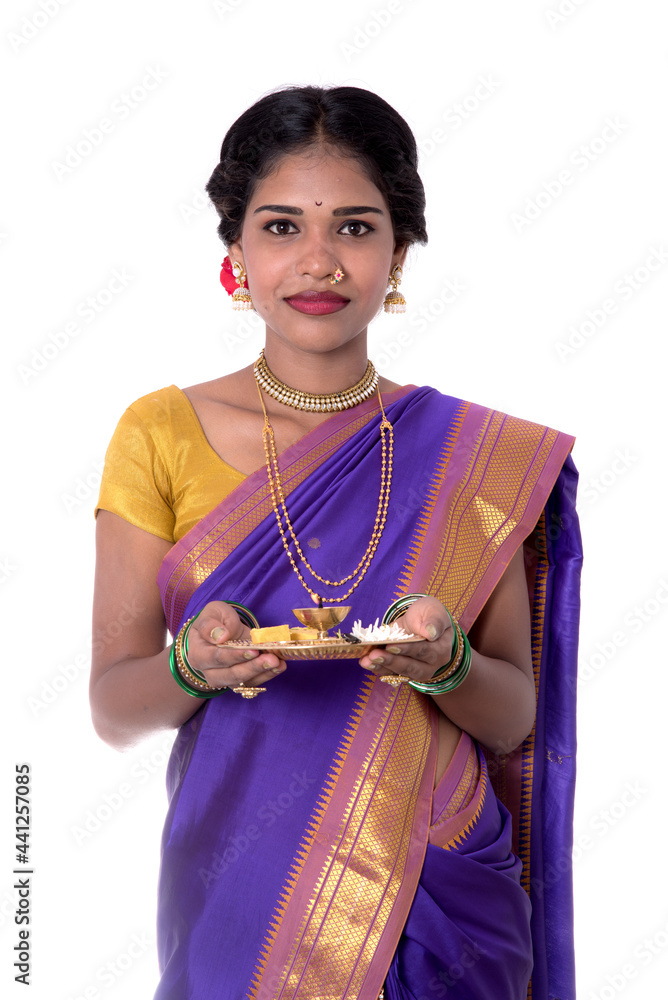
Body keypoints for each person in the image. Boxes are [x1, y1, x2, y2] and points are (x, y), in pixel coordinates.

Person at [90, 85, 581, 1000]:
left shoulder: (470, 454)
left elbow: (514, 714)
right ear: (234, 252)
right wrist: (194, 669)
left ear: (400, 251)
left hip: (436, 885)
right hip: (240, 892)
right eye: (281, 227)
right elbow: (116, 707)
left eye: (355, 227)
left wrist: (445, 663)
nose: (318, 261)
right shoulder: (158, 431)